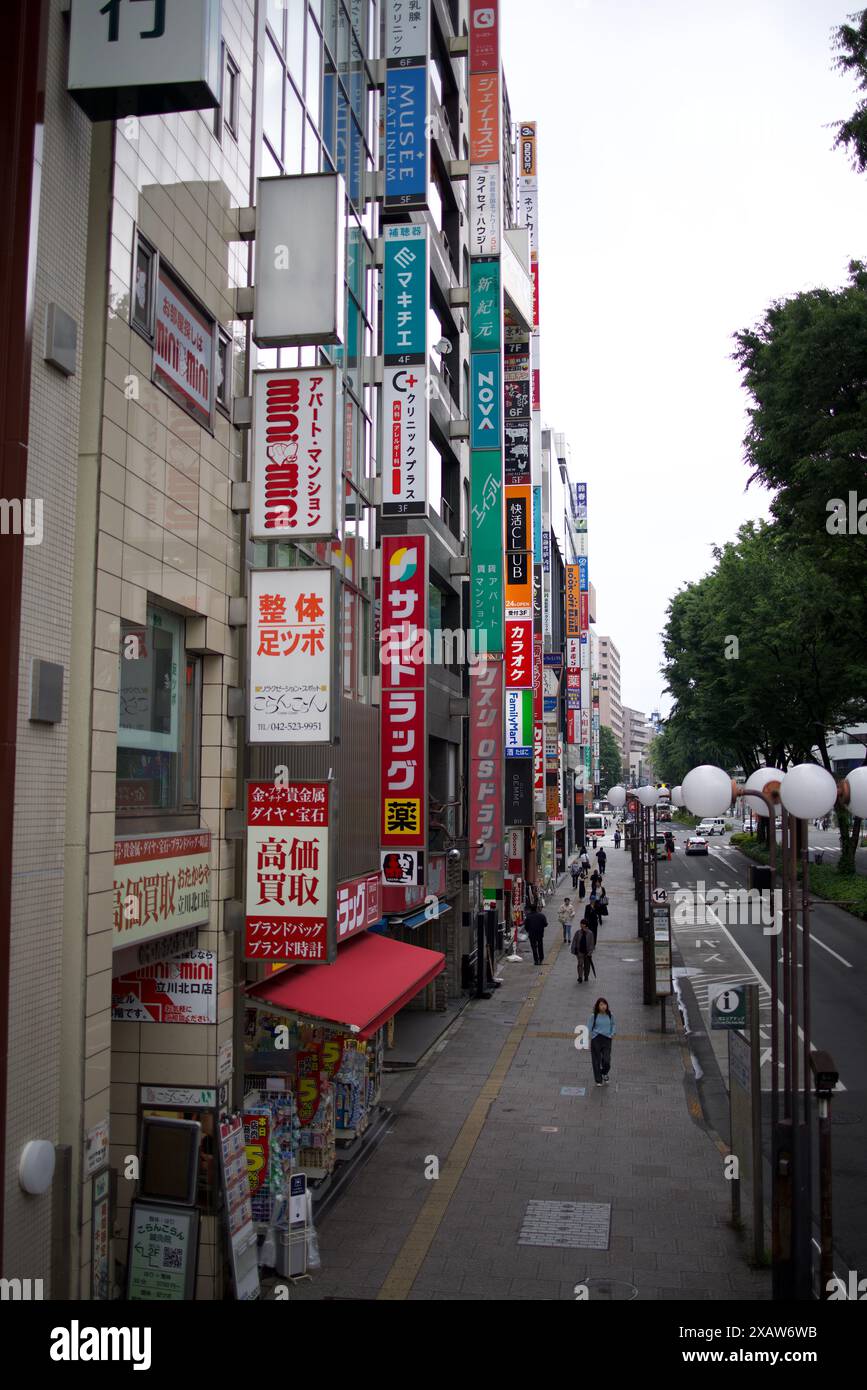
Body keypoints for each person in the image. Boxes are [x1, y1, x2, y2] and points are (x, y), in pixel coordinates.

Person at [589, 997, 616, 1085]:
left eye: (604, 1004)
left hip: (607, 1039)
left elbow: (613, 1025)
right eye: (601, 1005)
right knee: (596, 1060)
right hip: (596, 1038)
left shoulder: (610, 1015)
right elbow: (588, 1027)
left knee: (606, 1060)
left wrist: (612, 1033)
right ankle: (598, 1080)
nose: (603, 1006)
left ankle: (604, 1073)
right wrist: (592, 1037)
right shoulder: (594, 1016)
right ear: (597, 1006)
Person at [571, 918, 596, 982]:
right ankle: (580, 977)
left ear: (585, 925)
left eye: (582, 924)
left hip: (587, 952)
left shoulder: (590, 933)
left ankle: (586, 975)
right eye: (581, 923)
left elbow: (591, 943)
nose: (581, 925)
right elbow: (574, 941)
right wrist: (574, 950)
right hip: (579, 952)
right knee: (580, 964)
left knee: (587, 965)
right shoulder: (578, 932)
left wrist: (590, 952)